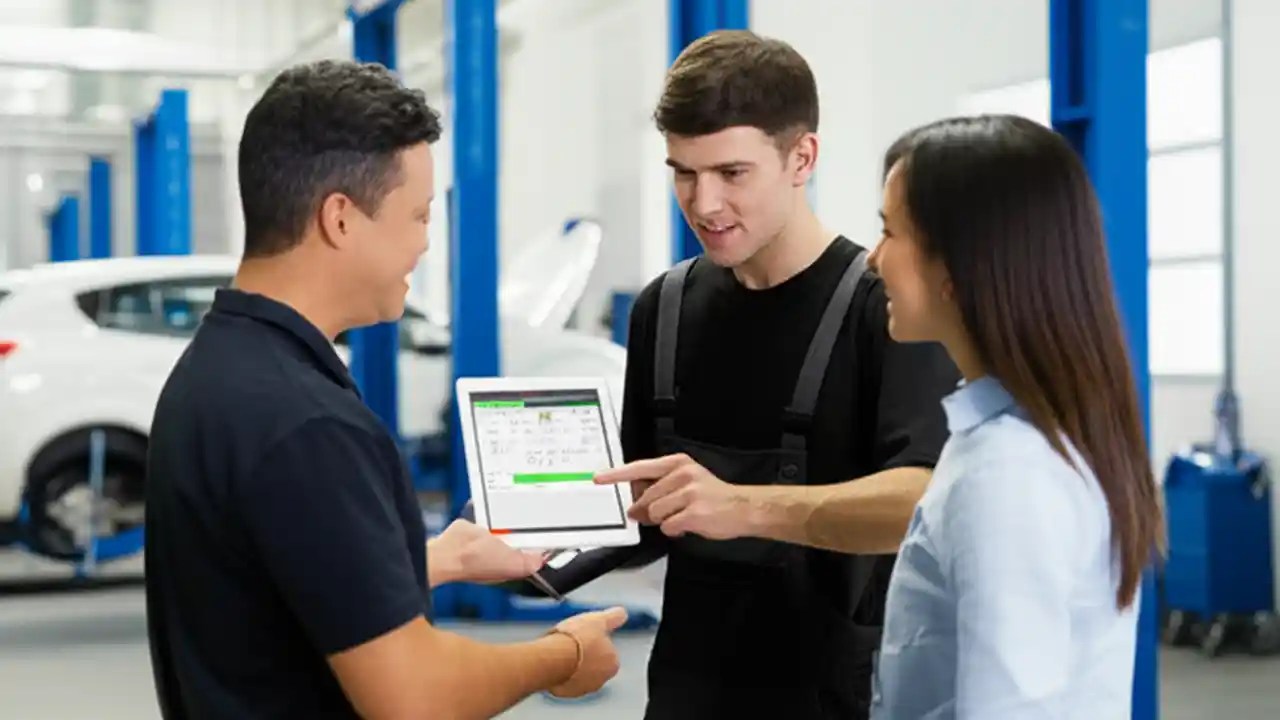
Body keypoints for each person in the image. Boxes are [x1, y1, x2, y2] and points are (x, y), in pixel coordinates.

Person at [143, 59, 629, 720]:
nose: (425, 245)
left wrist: (439, 558)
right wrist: (564, 653)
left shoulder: (217, 371)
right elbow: (414, 696)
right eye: (419, 216)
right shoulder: (308, 425)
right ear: (340, 219)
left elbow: (273, 583)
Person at [567, 30, 959, 719]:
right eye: (683, 172)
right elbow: (649, 512)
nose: (703, 202)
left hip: (834, 695)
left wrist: (743, 506)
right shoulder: (663, 308)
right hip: (688, 688)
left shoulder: (885, 308)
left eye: (732, 173)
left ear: (801, 156)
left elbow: (923, 501)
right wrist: (538, 538)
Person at [864, 115, 1165, 718]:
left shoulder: (1008, 474)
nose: (874, 260)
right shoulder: (1021, 441)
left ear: (956, 265)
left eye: (890, 232)